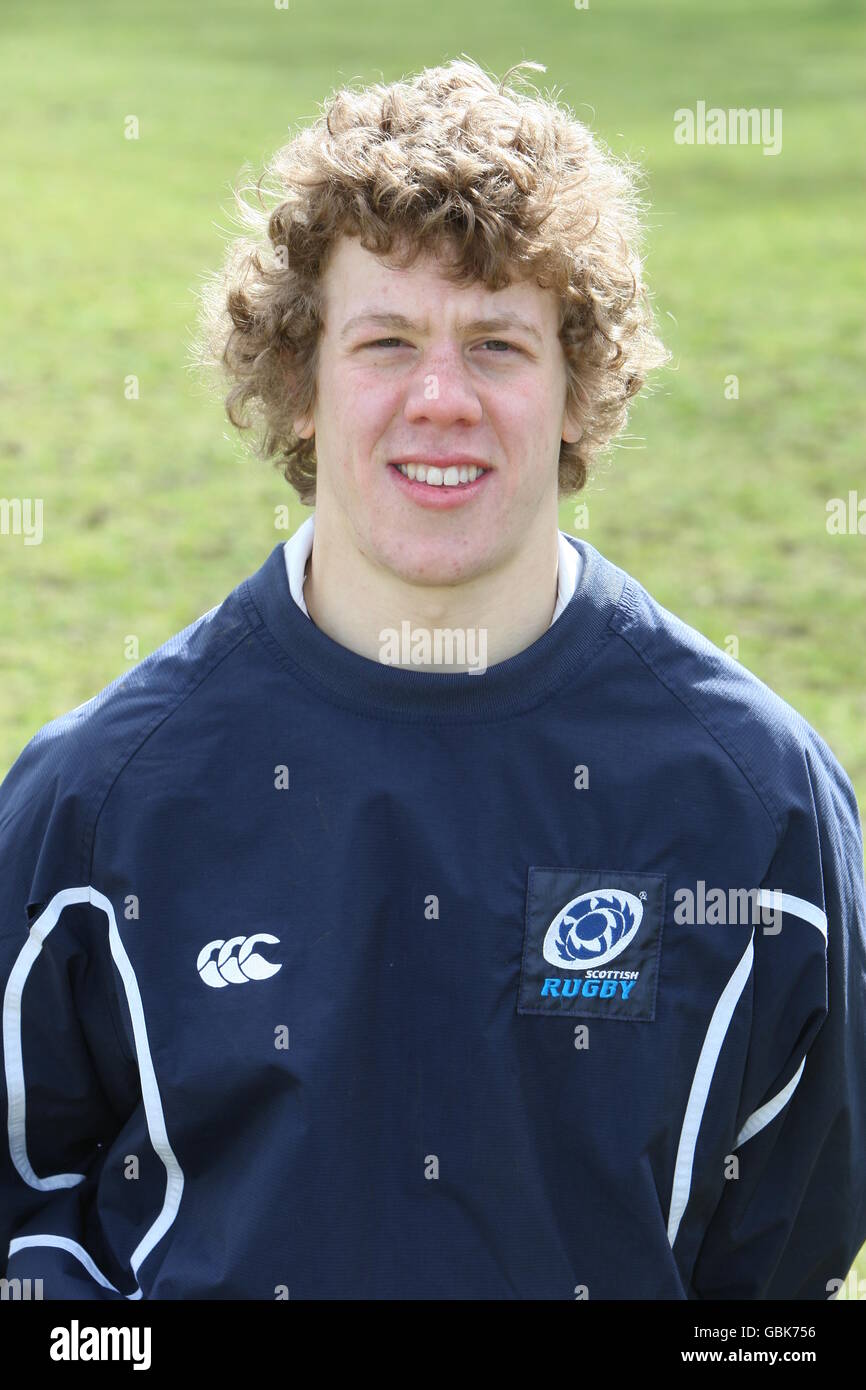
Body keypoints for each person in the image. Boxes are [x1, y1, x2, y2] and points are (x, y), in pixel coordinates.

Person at [1, 56, 864, 1301]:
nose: (441, 398)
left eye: (499, 344)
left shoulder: (755, 803)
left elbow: (776, 1266)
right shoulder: (101, 796)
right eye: (386, 340)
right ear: (298, 386)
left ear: (578, 391)